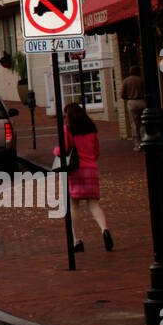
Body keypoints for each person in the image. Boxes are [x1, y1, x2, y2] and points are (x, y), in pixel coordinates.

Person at [59, 103, 113, 253]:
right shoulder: (92, 129)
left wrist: (56, 150)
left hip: (76, 170)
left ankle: (77, 240)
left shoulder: (67, 130)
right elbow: (97, 151)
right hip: (91, 169)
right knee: (94, 205)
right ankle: (104, 229)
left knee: (74, 205)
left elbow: (63, 149)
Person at [121, 69, 145, 144]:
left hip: (131, 102)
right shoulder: (141, 80)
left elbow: (122, 94)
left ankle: (137, 143)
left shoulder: (126, 81)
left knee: (134, 123)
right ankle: (144, 139)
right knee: (143, 122)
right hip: (142, 101)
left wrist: (127, 97)